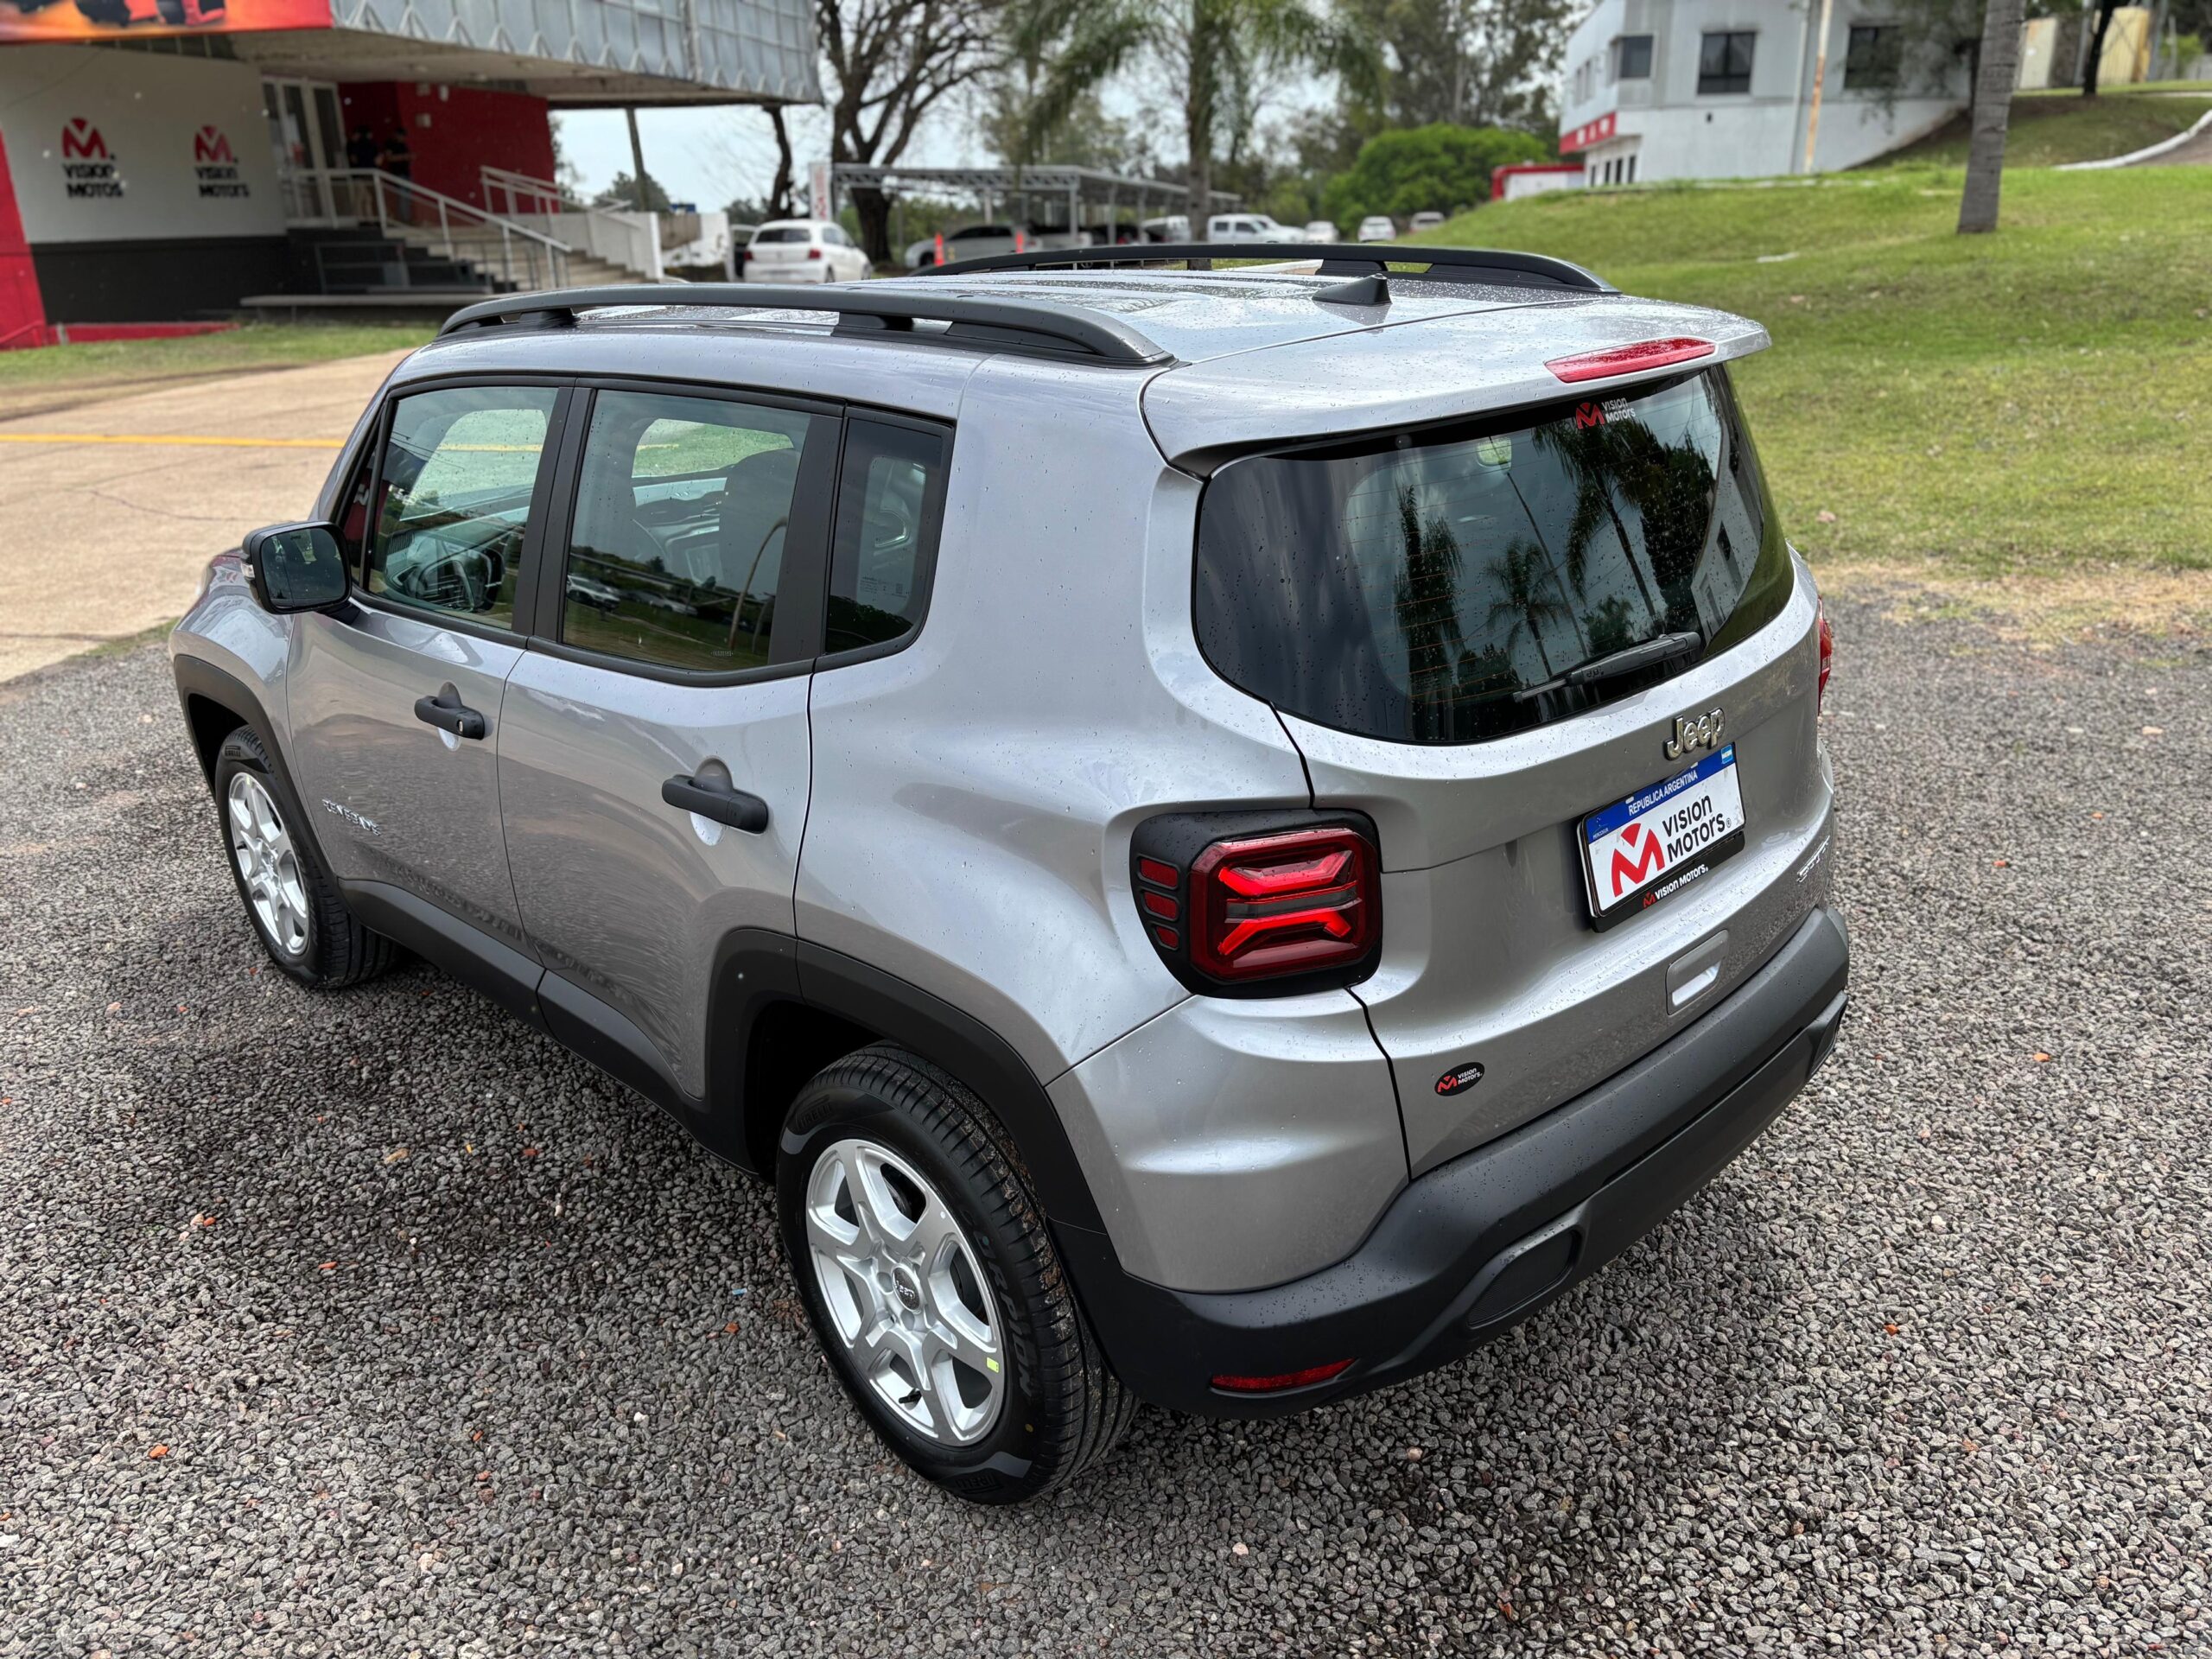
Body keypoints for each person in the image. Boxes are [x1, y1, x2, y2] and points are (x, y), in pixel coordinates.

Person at [378, 125, 414, 221]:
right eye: (401, 136)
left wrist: (409, 157)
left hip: (406, 172)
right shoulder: (390, 144)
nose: (403, 138)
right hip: (398, 173)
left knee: (408, 196)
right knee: (402, 196)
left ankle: (408, 217)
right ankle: (403, 218)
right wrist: (403, 157)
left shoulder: (403, 145)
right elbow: (389, 158)